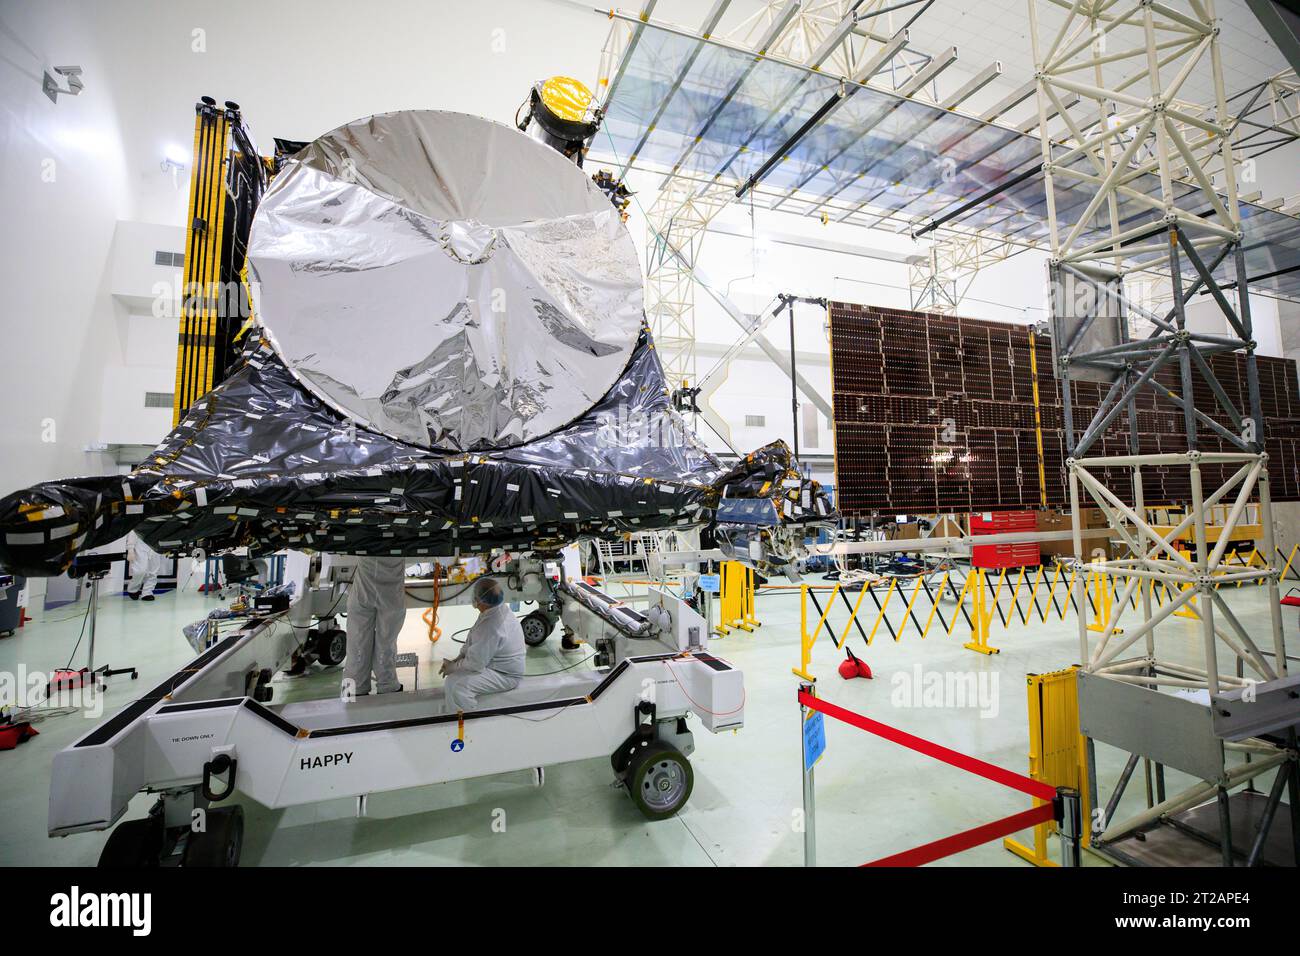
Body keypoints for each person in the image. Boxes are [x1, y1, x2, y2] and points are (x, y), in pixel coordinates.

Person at [441, 576, 525, 712]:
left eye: (476, 595)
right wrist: (457, 659)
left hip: (505, 675)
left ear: (481, 600)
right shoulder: (495, 610)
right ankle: (454, 716)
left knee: (458, 687)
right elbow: (473, 639)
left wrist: (454, 667)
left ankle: (465, 725)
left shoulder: (492, 626)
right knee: (453, 680)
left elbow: (476, 664)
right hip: (493, 664)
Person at [343, 556, 408, 697]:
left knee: (356, 647)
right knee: (386, 646)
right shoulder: (399, 537)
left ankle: (350, 695)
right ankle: (388, 689)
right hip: (391, 595)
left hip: (363, 593)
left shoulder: (365, 536)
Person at [126, 532, 162, 601]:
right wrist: (130, 549)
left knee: (153, 571)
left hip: (156, 544)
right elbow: (133, 531)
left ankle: (147, 592)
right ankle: (133, 589)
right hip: (141, 543)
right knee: (140, 570)